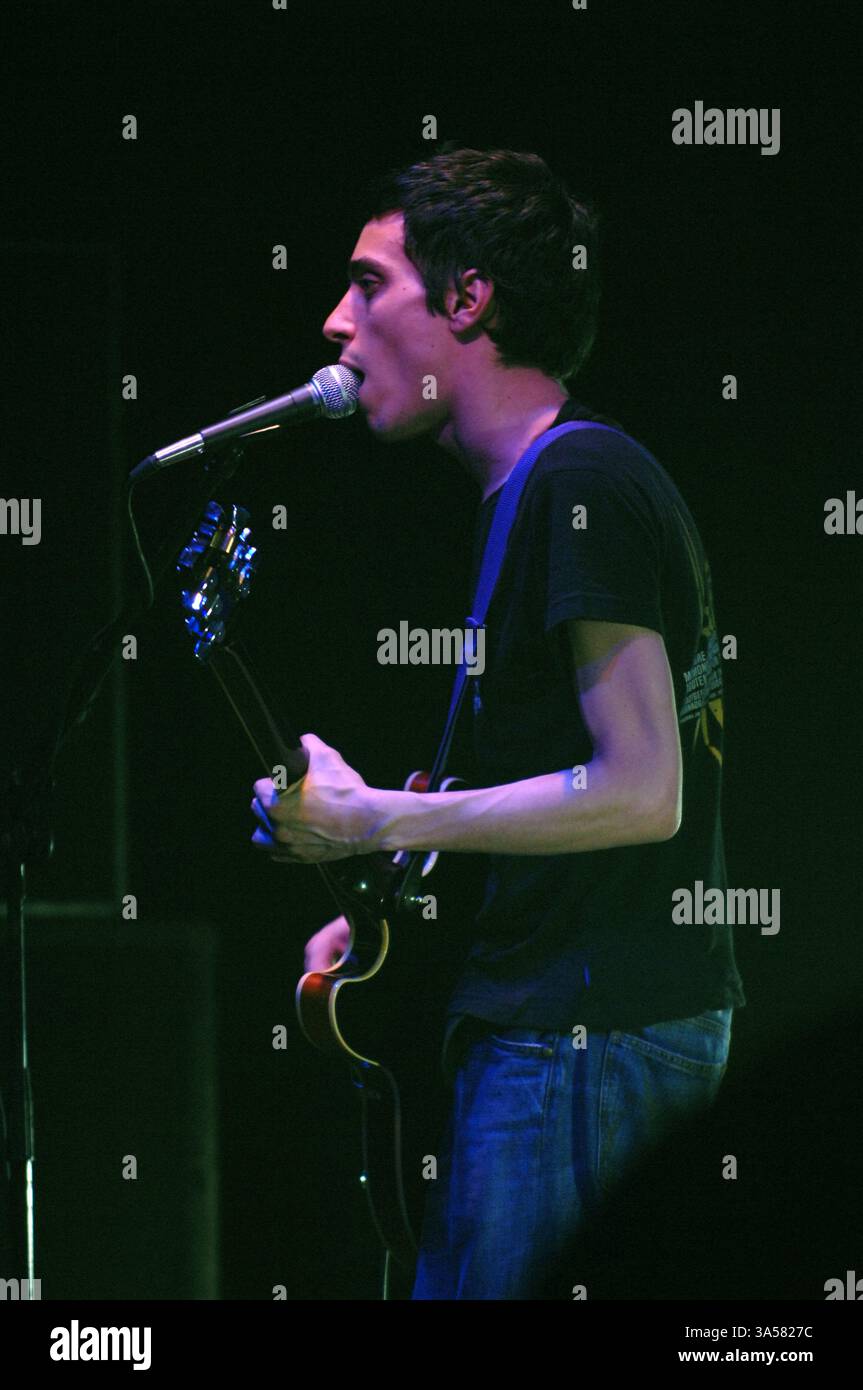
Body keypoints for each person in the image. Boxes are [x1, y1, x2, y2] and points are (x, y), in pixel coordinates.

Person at [250, 147, 746, 1299]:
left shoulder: (582, 480)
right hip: (563, 1039)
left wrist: (374, 820)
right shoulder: (538, 491)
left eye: (369, 284)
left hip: (590, 1043)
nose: (335, 321)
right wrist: (381, 881)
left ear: (469, 298)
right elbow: (558, 782)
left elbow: (639, 789)